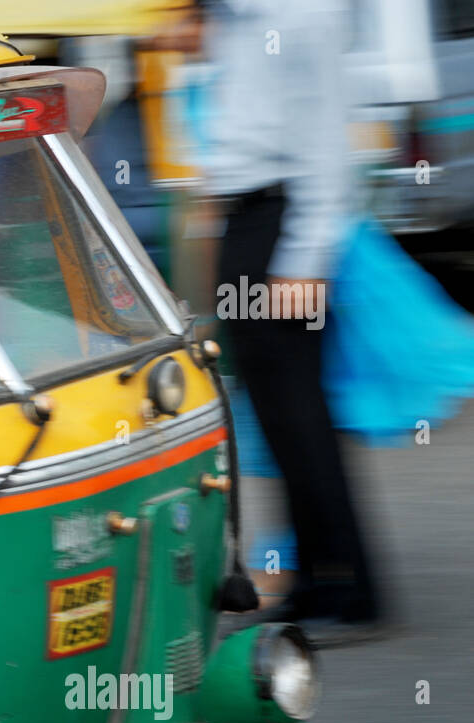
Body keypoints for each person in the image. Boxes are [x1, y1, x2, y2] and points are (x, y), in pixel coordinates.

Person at [192, 0, 380, 639]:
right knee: (276, 419)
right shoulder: (237, 19)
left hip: (279, 227)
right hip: (245, 222)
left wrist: (304, 259)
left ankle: (351, 589)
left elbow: (327, 150)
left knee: (301, 418)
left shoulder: (301, 16)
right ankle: (311, 578)